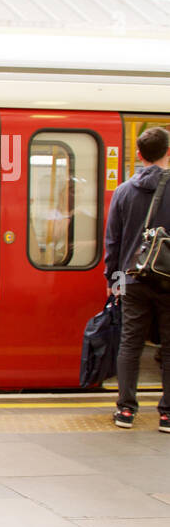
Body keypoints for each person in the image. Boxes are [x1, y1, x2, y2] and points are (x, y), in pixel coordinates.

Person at [105, 125, 170, 431]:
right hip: (168, 280)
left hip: (132, 279)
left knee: (130, 344)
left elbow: (113, 242)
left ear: (140, 155)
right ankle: (168, 413)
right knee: (169, 347)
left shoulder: (123, 191)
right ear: (168, 152)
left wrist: (113, 279)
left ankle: (126, 410)